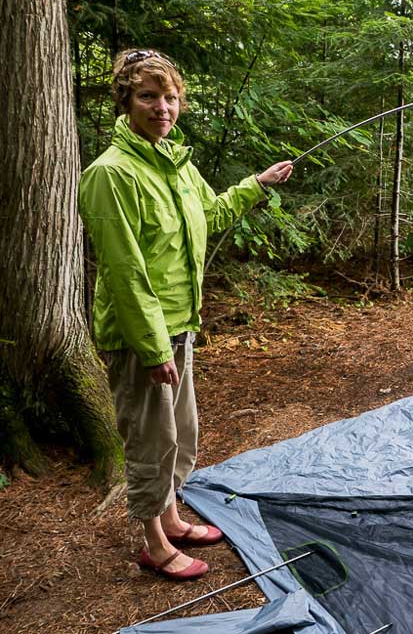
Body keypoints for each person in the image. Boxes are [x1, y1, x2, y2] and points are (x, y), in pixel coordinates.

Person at [78, 49, 293, 581]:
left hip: (180, 324)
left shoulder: (176, 162)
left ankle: (171, 517)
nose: (162, 107)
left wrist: (257, 184)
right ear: (125, 100)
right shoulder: (111, 174)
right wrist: (151, 349)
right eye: (148, 96)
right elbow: (125, 271)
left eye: (170, 97)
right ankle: (154, 542)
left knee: (179, 430)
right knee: (150, 440)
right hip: (139, 337)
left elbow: (210, 214)